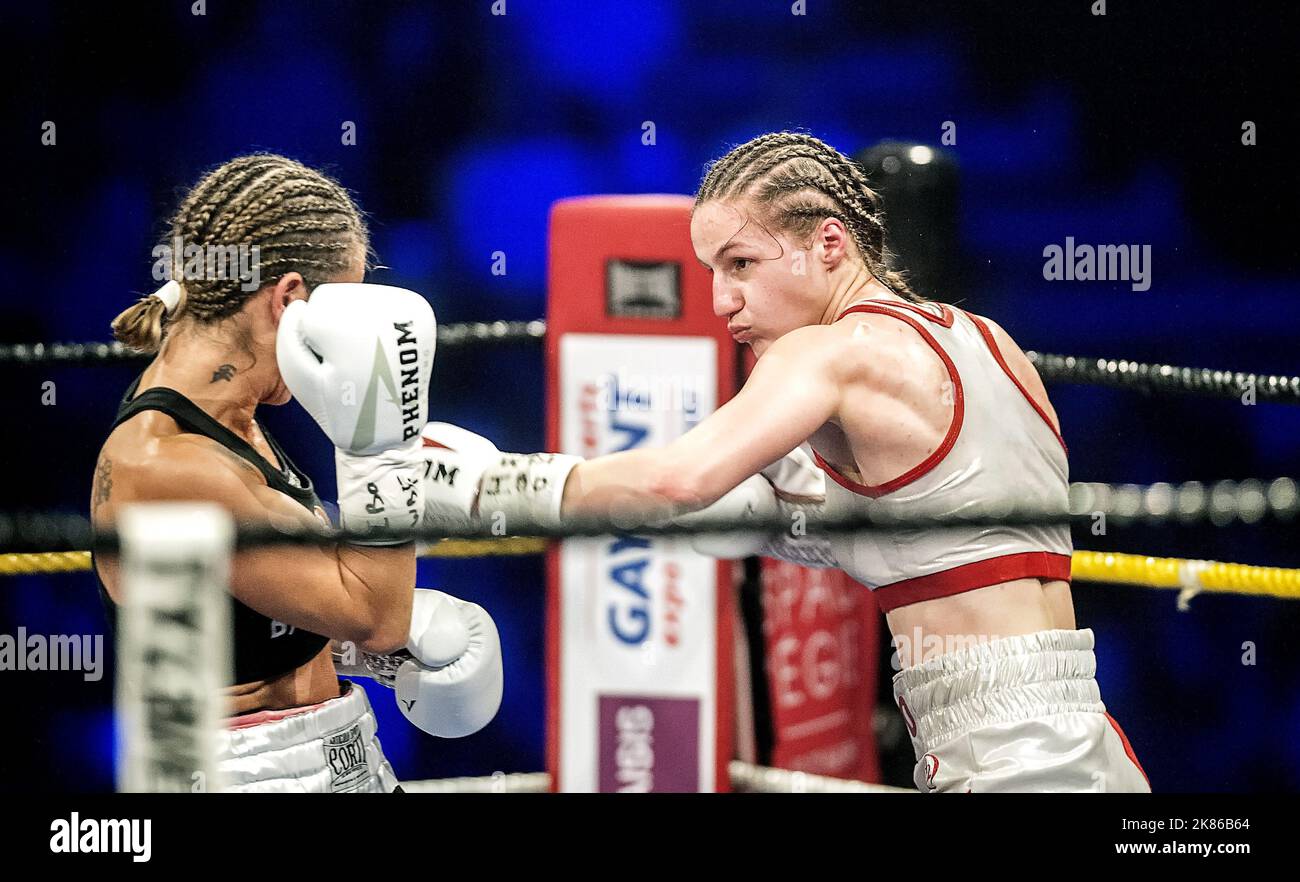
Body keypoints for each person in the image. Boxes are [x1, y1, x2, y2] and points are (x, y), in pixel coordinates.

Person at [421, 132, 1150, 793]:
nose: (720, 300)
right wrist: (781, 527)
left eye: (742, 264)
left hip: (1007, 756)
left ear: (829, 244)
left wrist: (497, 486)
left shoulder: (826, 351)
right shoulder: (989, 340)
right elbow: (954, 538)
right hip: (1087, 736)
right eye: (710, 270)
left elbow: (680, 479)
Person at [92, 154, 502, 793]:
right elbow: (375, 615)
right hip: (253, 771)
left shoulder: (233, 420)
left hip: (329, 750)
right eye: (343, 306)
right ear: (287, 299)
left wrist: (365, 654)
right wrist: (381, 457)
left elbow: (266, 606)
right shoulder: (166, 460)